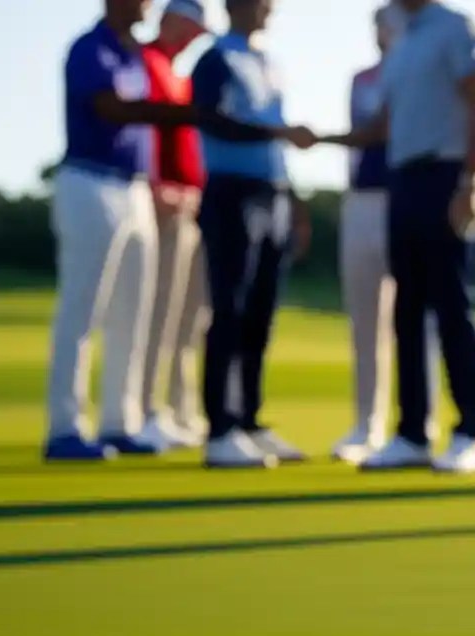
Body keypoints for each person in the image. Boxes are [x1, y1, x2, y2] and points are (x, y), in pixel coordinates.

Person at [44, 0, 307, 463]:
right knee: (84, 309)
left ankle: (119, 422)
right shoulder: (91, 49)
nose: (146, 4)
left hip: (136, 188)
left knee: (135, 314)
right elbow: (112, 109)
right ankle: (65, 427)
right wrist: (196, 114)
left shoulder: (133, 55)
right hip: (90, 180)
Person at [306, 0, 475, 475]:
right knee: (407, 308)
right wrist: (324, 140)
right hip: (402, 180)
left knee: (453, 305)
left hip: (446, 174)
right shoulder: (403, 40)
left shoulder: (454, 27)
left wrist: (472, 178)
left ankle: (471, 432)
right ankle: (412, 432)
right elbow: (384, 126)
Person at [192, 0, 314, 469]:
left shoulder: (268, 62)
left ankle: (248, 420)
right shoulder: (215, 58)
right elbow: (209, 117)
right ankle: (219, 428)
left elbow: (274, 141)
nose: (269, 8)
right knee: (230, 309)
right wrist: (277, 133)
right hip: (231, 194)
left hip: (273, 193)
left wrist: (295, 200)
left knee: (261, 313)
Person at [332, 5, 439, 466]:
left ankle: (421, 420)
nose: (384, 33)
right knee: (365, 322)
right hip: (361, 200)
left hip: (406, 197)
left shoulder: (420, 78)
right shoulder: (360, 79)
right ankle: (366, 423)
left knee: (419, 318)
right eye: (379, 26)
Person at [139, 0, 210, 451]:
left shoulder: (181, 76)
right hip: (161, 202)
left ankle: (183, 409)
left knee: (190, 318)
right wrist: (154, 182)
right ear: (169, 21)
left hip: (193, 203)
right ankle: (146, 410)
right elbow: (138, 131)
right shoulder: (145, 63)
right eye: (188, 28)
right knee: (158, 312)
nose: (192, 39)